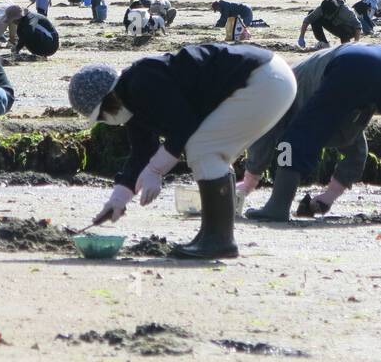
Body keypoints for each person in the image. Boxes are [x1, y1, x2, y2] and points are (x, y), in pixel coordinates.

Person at [70, 44, 297, 259]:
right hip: (271, 78)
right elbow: (142, 152)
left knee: (203, 148)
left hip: (264, 79)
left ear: (109, 98)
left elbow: (184, 125)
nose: (105, 121)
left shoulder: (142, 82)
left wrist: (156, 169)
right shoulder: (132, 101)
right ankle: (214, 237)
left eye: (100, 115)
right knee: (211, 150)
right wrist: (118, 199)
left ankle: (218, 240)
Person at [241, 44, 381, 222]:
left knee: (294, 140)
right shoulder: (324, 93)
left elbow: (266, 134)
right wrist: (328, 197)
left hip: (350, 64)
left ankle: (277, 208)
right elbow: (356, 148)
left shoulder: (285, 89)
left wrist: (250, 180)